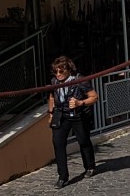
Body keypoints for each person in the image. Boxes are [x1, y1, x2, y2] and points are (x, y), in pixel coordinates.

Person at [48, 56, 98, 188]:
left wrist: (80, 102)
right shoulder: (54, 81)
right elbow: (52, 97)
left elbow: (94, 97)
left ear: (69, 70)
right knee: (58, 144)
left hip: (78, 115)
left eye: (61, 71)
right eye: (55, 72)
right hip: (60, 115)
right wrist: (51, 113)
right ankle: (63, 177)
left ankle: (90, 166)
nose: (58, 74)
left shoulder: (79, 80)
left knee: (83, 140)